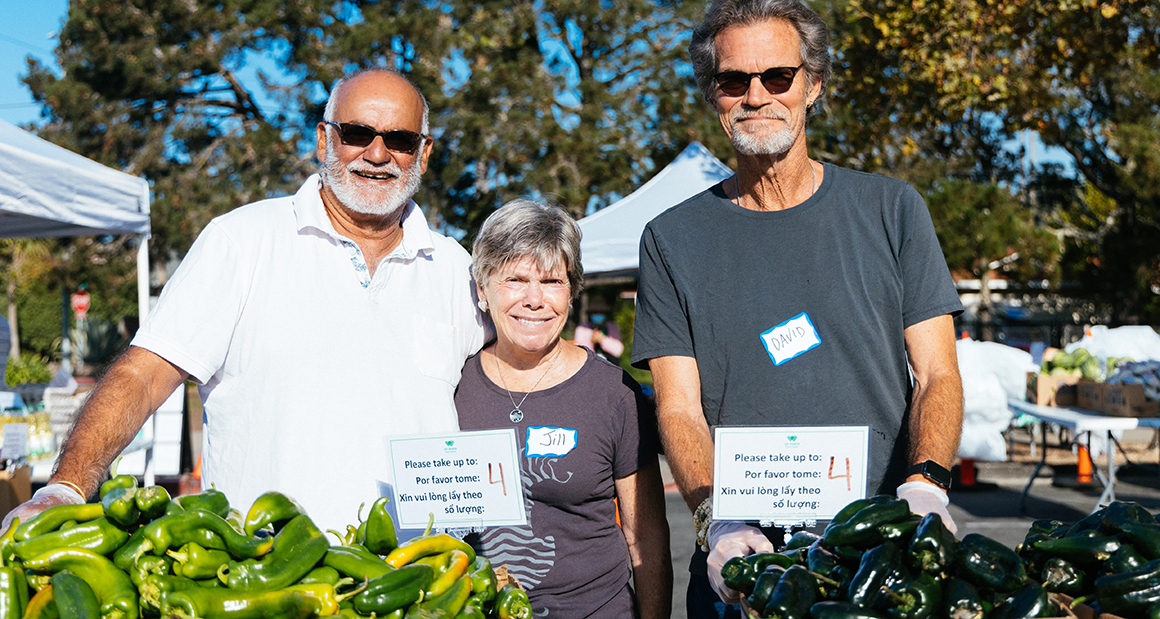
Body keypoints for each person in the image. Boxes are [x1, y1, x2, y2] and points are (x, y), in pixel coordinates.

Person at [1, 68, 485, 532]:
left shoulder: (457, 270)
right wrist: (64, 488)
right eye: (357, 133)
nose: (377, 154)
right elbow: (145, 375)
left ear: (423, 154)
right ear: (323, 140)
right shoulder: (242, 242)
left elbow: (523, 378)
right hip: (265, 578)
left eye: (399, 140)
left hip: (418, 581)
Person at [630, 0, 965, 616]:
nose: (757, 96)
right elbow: (677, 406)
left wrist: (927, 486)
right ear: (713, 96)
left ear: (813, 86)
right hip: (744, 560)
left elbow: (939, 373)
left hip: (880, 553)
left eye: (777, 77)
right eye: (734, 81)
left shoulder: (892, 211)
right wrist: (717, 519)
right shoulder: (670, 238)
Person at [456, 200, 671, 619]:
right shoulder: (452, 387)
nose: (534, 299)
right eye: (515, 279)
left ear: (572, 291)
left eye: (552, 281)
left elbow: (645, 538)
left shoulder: (613, 393)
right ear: (482, 289)